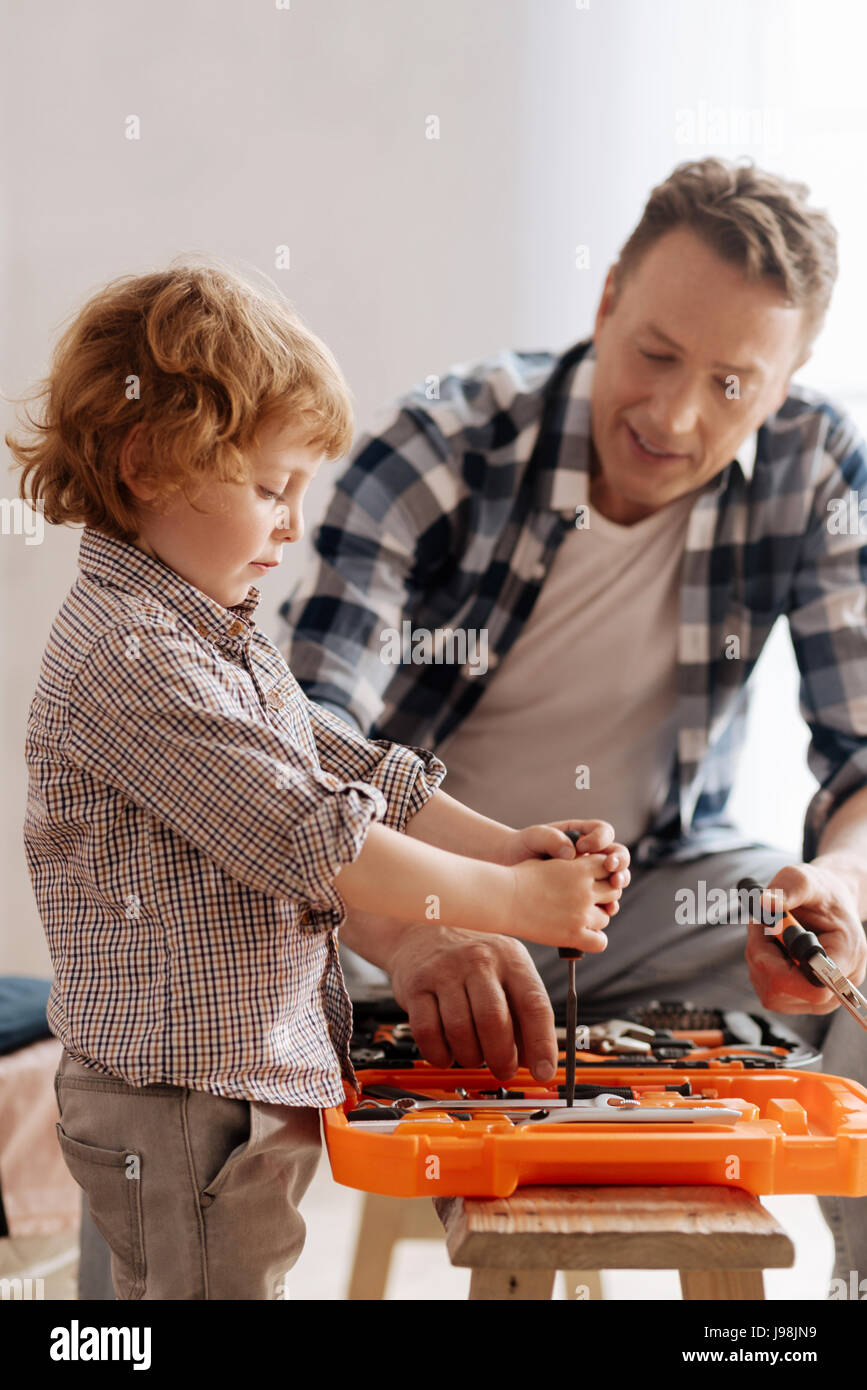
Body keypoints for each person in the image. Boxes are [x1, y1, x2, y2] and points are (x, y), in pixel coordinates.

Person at [281, 158, 867, 1291]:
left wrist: (839, 886)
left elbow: (863, 756)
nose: (676, 413)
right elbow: (293, 749)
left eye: (735, 383)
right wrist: (416, 929)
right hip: (399, 892)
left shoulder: (815, 468)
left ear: (789, 383)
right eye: (653, 353)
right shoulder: (441, 447)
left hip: (642, 899)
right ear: (604, 302)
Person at [8, 258, 630, 1300]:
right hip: (178, 1097)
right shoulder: (134, 658)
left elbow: (341, 764)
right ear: (149, 464)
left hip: (229, 1081)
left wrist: (501, 844)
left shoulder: (209, 633)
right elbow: (311, 834)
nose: (293, 524)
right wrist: (519, 902)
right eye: (269, 488)